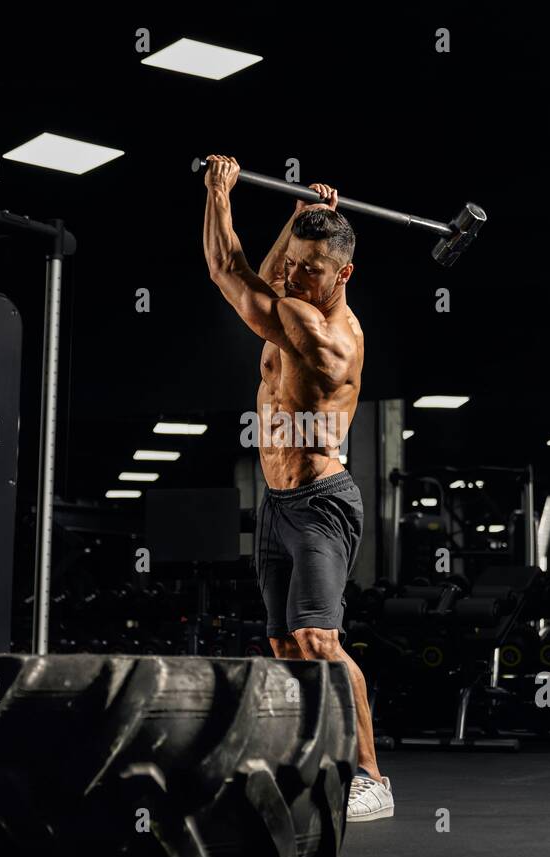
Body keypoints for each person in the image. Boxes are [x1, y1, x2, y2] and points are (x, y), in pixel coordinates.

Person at [201, 154, 393, 822]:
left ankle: (371, 775)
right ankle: (315, 755)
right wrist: (279, 219)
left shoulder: (325, 337)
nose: (291, 273)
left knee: (320, 640)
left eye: (308, 269)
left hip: (321, 503)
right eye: (292, 263)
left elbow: (232, 272)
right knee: (285, 644)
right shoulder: (296, 294)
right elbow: (260, 271)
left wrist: (225, 198)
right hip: (277, 504)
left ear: (344, 276)